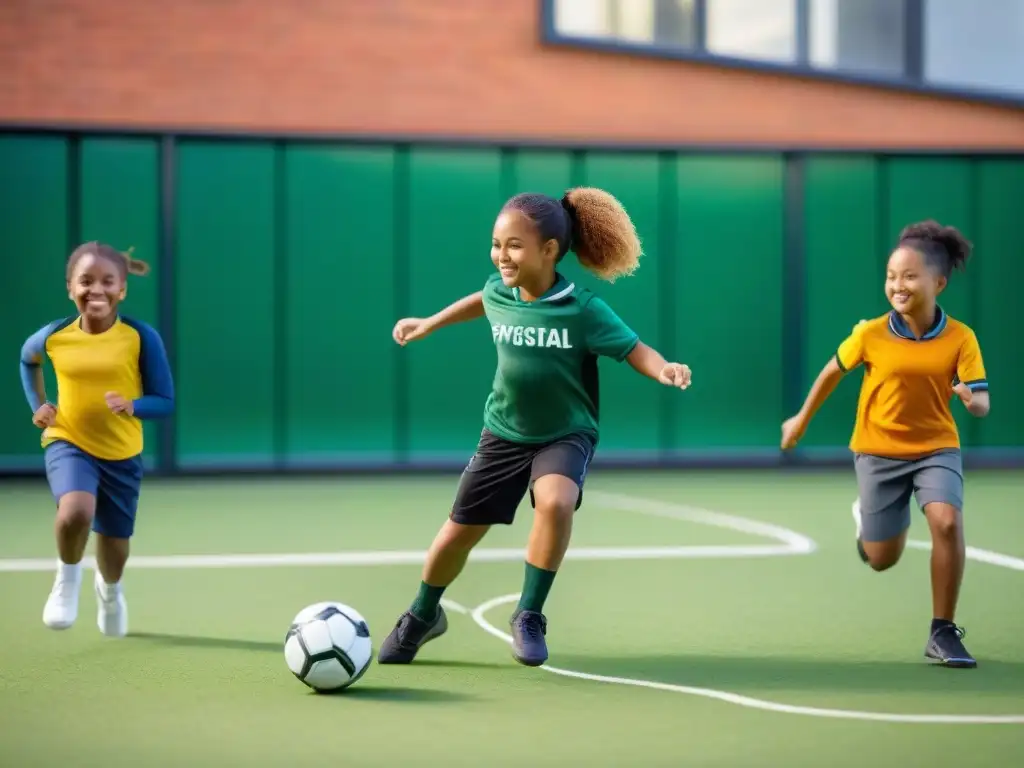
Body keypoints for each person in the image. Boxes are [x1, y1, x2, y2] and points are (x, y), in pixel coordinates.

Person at [377, 187, 692, 667]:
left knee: (557, 501)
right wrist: (430, 324)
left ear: (549, 250)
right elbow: (481, 300)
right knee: (457, 534)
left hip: (566, 432)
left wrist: (664, 366)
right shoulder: (499, 291)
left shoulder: (583, 309)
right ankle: (422, 615)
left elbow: (633, 349)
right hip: (503, 431)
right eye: (497, 244)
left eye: (514, 246)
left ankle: (528, 614)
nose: (502, 255)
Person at [781, 220, 989, 668]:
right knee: (881, 559)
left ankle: (943, 632)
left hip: (937, 448)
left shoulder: (961, 338)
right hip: (877, 452)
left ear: (938, 282)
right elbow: (832, 372)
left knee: (947, 522)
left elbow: (982, 403)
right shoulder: (870, 333)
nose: (897, 285)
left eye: (910, 276)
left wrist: (973, 401)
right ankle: (868, 524)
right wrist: (800, 420)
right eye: (892, 276)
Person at [19, 242, 175, 638]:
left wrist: (133, 406)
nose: (96, 290)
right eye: (85, 281)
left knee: (115, 546)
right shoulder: (54, 336)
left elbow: (166, 401)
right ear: (71, 287)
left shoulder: (141, 338)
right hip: (68, 440)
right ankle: (66, 580)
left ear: (122, 289)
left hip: (122, 453)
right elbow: (27, 359)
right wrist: (39, 405)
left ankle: (109, 591)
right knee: (75, 512)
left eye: (108, 282)